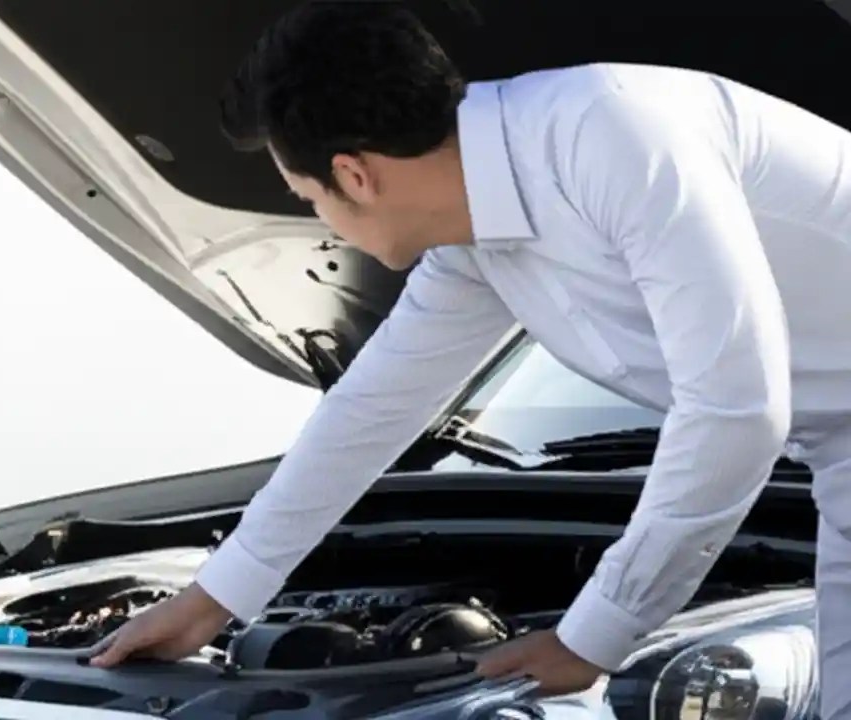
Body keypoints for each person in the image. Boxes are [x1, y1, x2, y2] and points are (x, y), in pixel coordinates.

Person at [88, 2, 851, 714]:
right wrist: (214, 597)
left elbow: (736, 410)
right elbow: (372, 406)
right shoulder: (476, 239)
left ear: (354, 174)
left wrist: (595, 633)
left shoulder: (613, 134)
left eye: (307, 198)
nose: (319, 221)